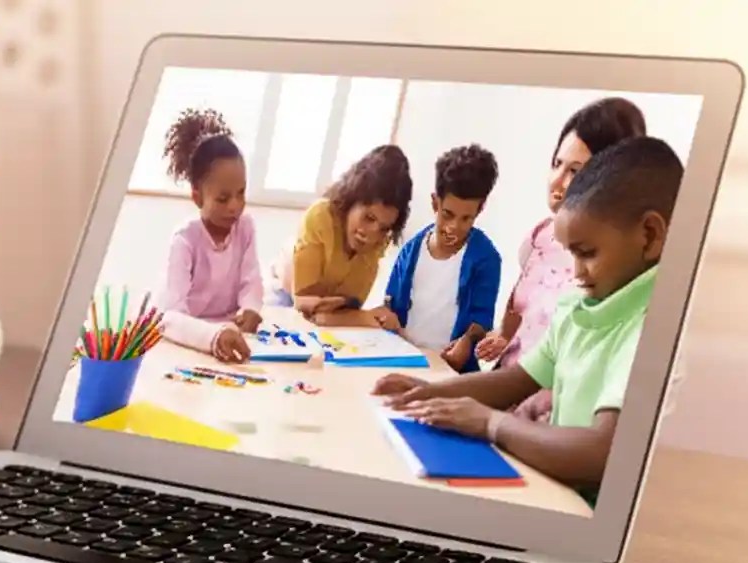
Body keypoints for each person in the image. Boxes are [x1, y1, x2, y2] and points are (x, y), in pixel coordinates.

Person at [371, 137, 683, 508]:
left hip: (590, 518)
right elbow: (516, 381)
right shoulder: (578, 307)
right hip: (552, 493)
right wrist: (429, 391)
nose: (576, 272)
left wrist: (491, 423)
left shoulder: (654, 328)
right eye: (571, 254)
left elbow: (602, 451)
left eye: (588, 254)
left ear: (649, 235)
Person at [475, 97, 647, 418]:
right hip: (503, 397)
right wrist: (503, 337)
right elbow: (519, 309)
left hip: (547, 420)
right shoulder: (540, 236)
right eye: (557, 164)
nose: (557, 182)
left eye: (575, 171)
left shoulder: (618, 267)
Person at [375, 144, 501, 372]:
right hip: (404, 359)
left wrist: (468, 340)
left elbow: (482, 320)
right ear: (435, 202)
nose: (454, 227)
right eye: (448, 214)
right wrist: (387, 318)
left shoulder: (486, 259)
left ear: (480, 209)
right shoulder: (411, 250)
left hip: (449, 372)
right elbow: (390, 303)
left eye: (466, 218)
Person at [157, 108, 264, 363]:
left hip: (229, 337)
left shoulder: (245, 227)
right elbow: (170, 317)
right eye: (223, 198)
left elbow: (251, 280)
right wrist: (213, 336)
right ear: (197, 197)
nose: (235, 206)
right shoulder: (185, 240)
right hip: (188, 341)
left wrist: (251, 308)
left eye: (241, 193)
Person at [267, 145, 413, 326]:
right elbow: (303, 303)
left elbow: (351, 305)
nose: (371, 235)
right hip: (284, 298)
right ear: (352, 199)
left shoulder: (380, 241)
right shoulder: (321, 216)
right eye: (368, 218)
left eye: (384, 228)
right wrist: (363, 317)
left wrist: (346, 312)